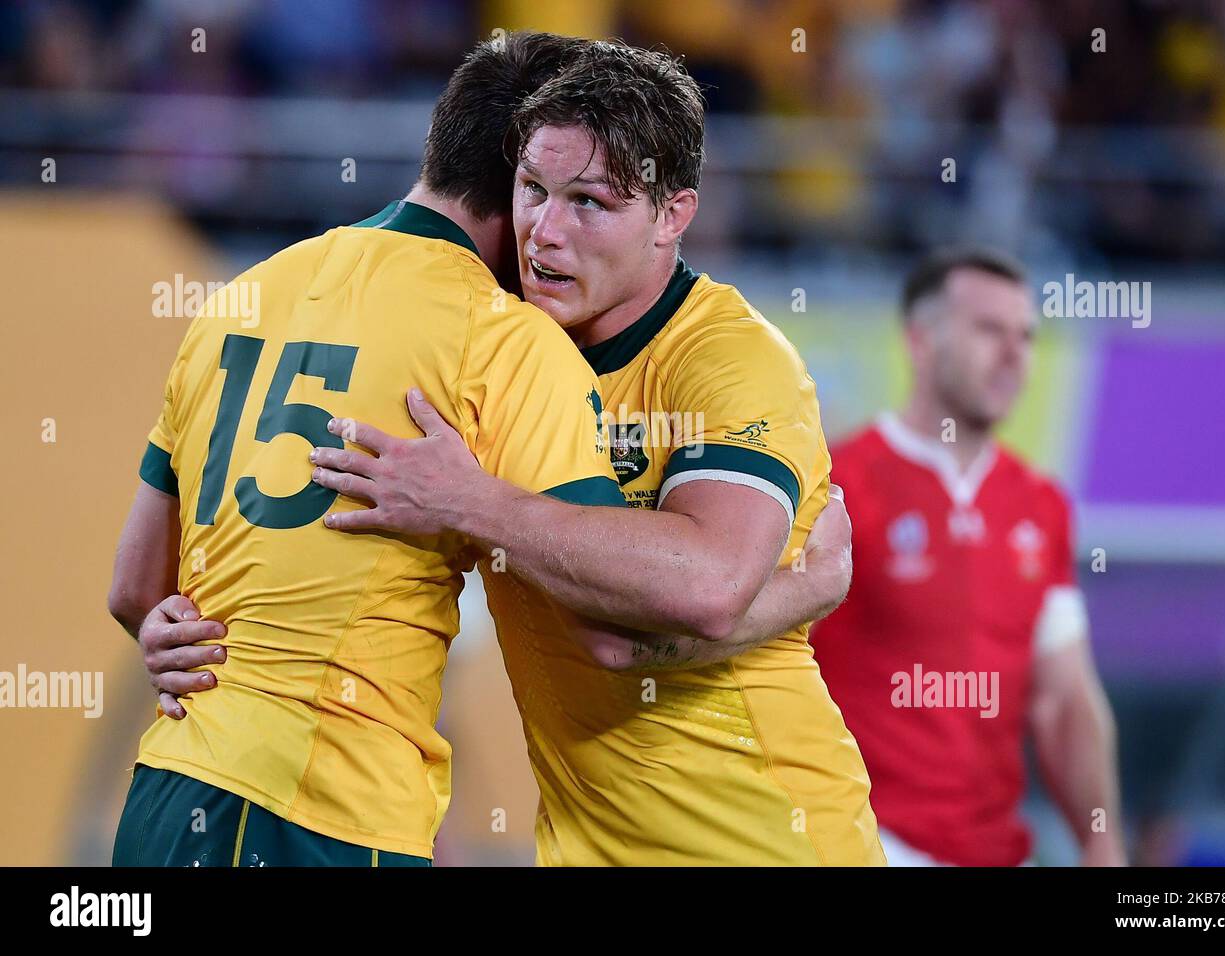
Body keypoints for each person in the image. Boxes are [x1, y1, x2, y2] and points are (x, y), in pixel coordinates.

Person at [115, 35, 858, 866]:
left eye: (591, 203)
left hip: (760, 840)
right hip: (572, 845)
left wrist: (810, 585)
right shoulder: (507, 344)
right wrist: (172, 629)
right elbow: (145, 591)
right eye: (535, 190)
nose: (546, 231)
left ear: (673, 214)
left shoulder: (725, 359)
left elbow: (677, 606)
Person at [812, 248, 1126, 866]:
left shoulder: (1040, 505)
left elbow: (1064, 699)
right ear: (922, 342)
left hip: (995, 850)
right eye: (989, 330)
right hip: (863, 843)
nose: (1014, 354)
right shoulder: (838, 484)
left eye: (1026, 336)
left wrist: (1101, 841)